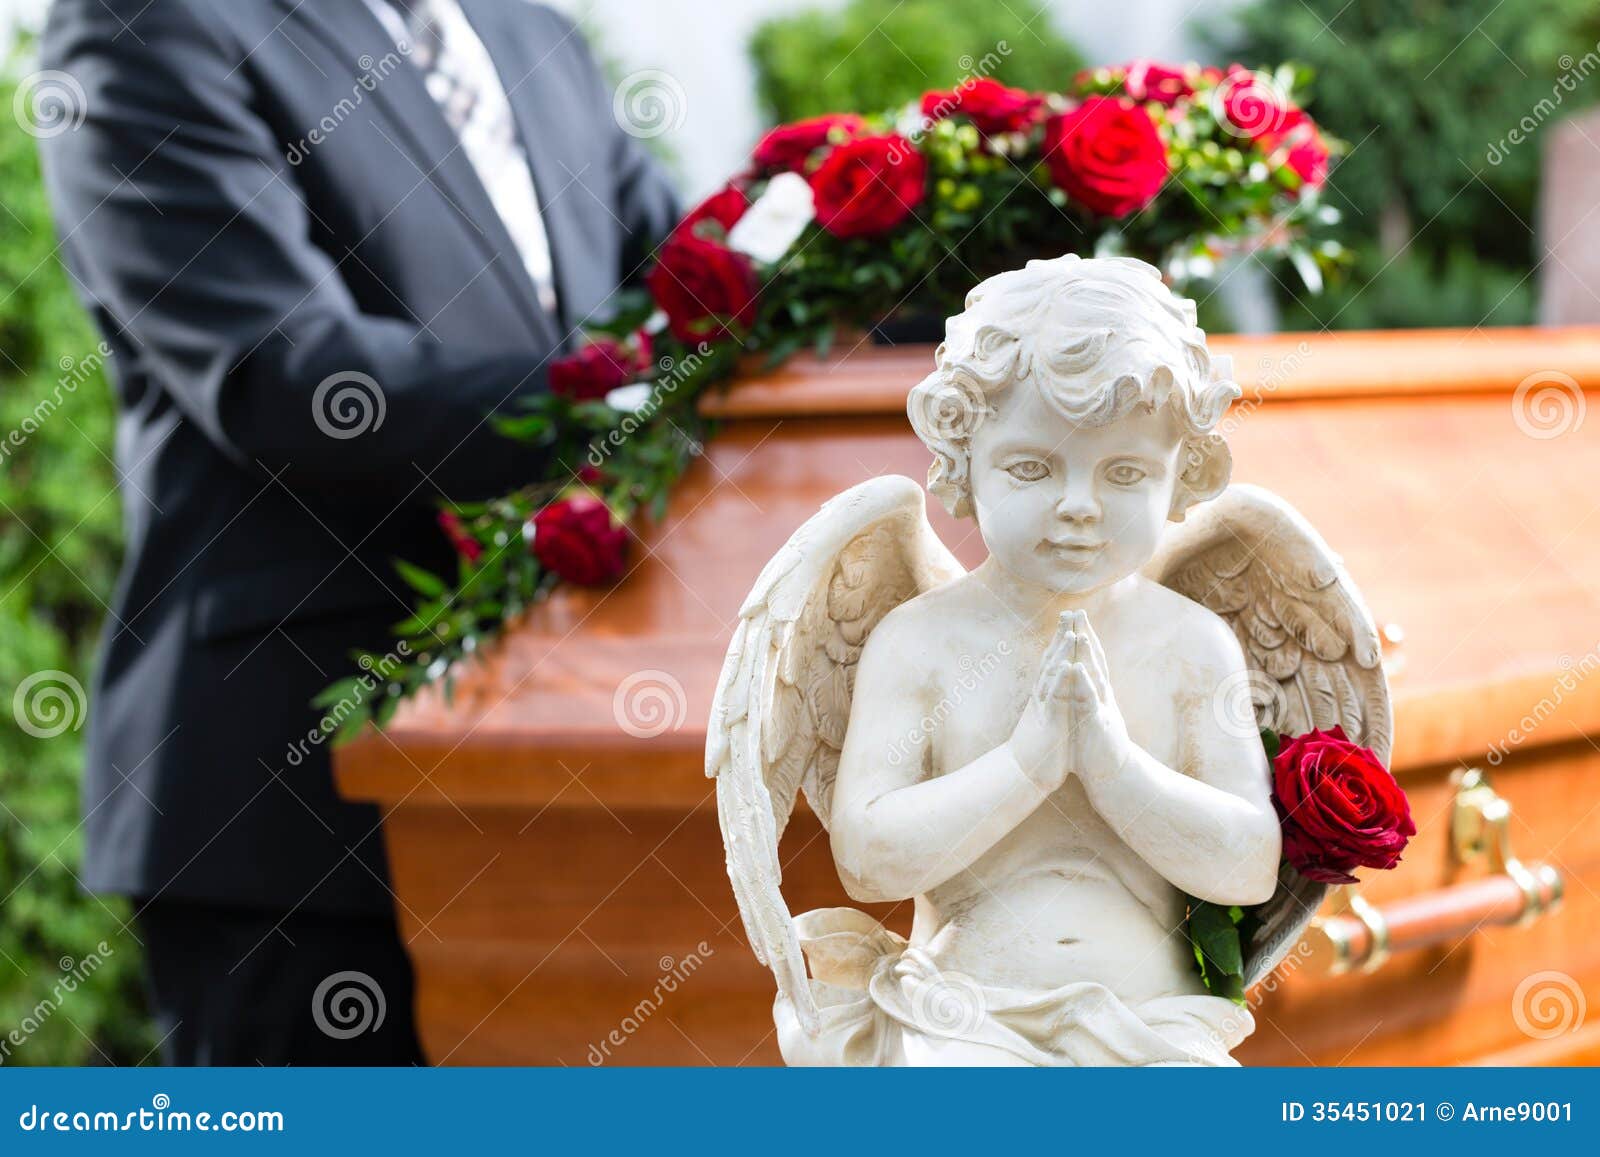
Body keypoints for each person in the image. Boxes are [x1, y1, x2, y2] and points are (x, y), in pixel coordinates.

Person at [39, 0, 677, 1064]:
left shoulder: (534, 35)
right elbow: (284, 373)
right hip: (299, 809)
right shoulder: (143, 24)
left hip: (579, 779)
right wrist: (624, 404)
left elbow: (691, 293)